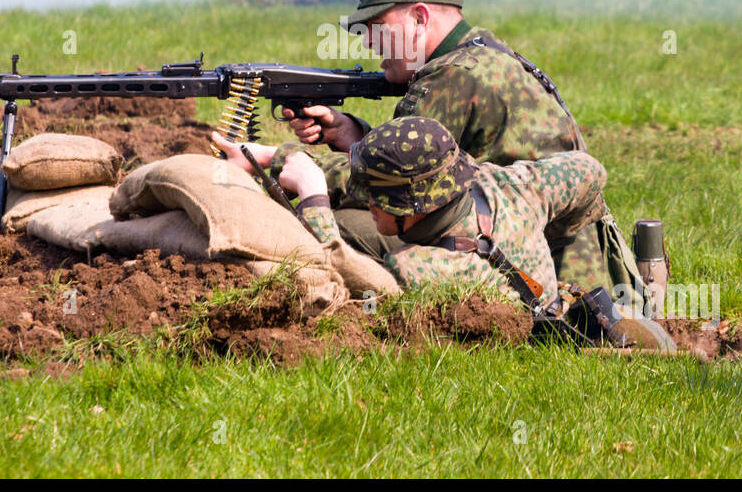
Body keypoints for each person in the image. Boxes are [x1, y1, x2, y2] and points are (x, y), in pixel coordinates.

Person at [281, 0, 651, 308]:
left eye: (377, 28)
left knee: (343, 223)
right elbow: (417, 170)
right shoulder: (480, 51)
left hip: (546, 276)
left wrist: (276, 161)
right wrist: (352, 134)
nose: (368, 43)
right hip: (575, 258)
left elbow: (395, 188)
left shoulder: (449, 77)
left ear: (419, 17)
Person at [209, 118, 674, 350]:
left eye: (376, 199)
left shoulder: (416, 267)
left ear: (412, 210)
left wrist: (312, 198)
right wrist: (558, 231)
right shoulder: (513, 187)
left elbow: (327, 268)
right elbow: (589, 171)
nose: (366, 203)